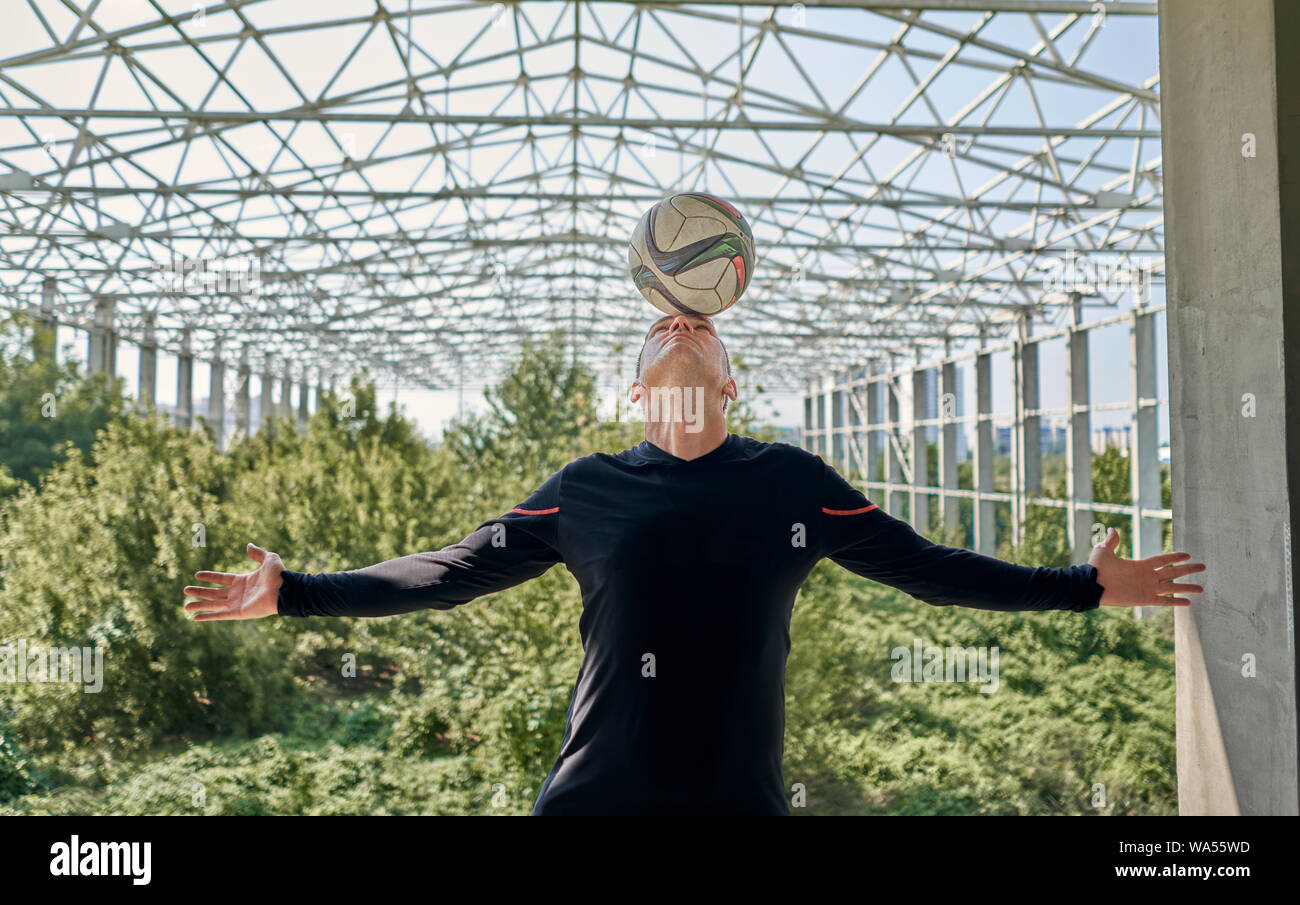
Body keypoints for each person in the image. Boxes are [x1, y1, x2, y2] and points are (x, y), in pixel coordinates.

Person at [184, 313, 1207, 815]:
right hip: (592, 801)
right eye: (657, 330)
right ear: (635, 394)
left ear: (730, 379)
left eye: (701, 326)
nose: (678, 324)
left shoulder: (792, 482)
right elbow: (451, 568)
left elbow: (927, 567)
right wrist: (298, 591)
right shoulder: (581, 488)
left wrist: (1083, 586)